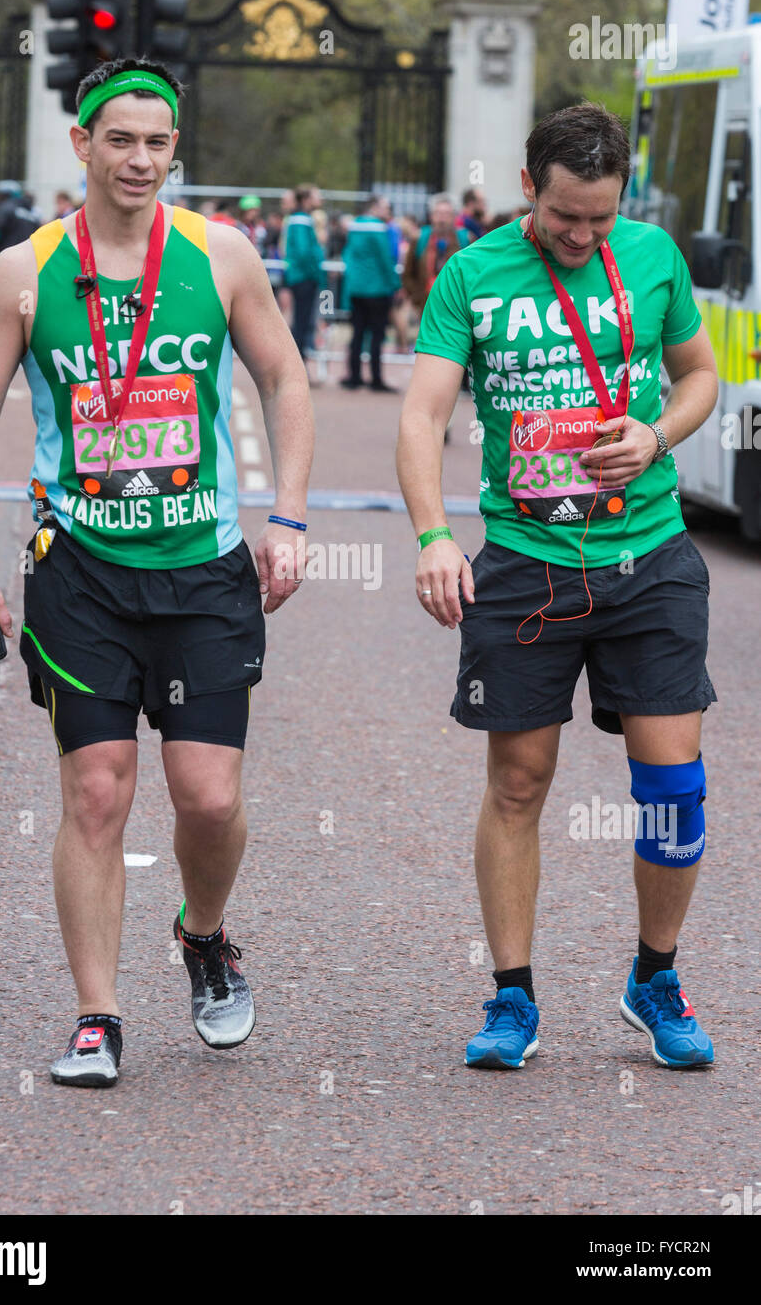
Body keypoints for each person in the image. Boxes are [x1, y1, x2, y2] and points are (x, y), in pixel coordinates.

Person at [0, 56, 314, 1088]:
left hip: (201, 569)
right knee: (97, 791)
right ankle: (97, 1015)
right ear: (82, 145)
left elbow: (282, 377)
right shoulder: (24, 271)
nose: (140, 159)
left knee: (205, 795)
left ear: (174, 152)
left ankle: (202, 933)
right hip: (82, 570)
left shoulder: (221, 254)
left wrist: (285, 514)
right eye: (120, 139)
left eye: (157, 142)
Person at [397, 102, 719, 1072]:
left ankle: (652, 976)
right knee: (517, 782)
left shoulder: (653, 258)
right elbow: (420, 415)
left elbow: (697, 372)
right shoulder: (471, 273)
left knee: (671, 790)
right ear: (529, 186)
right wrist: (431, 538)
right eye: (564, 216)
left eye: (599, 219)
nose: (582, 237)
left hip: (648, 553)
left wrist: (655, 434)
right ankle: (511, 996)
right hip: (525, 562)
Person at [340, 195, 399, 392]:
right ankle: (376, 379)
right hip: (377, 289)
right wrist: (395, 284)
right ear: (375, 207)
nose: (388, 211)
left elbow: (348, 254)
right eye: (385, 207)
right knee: (377, 335)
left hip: (356, 287)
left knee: (357, 333)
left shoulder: (355, 225)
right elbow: (385, 259)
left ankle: (354, 376)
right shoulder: (379, 228)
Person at [401, 193, 469, 315]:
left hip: (455, 307)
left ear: (454, 217)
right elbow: (408, 274)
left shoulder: (466, 239)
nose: (441, 219)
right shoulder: (419, 238)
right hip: (427, 305)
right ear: (431, 216)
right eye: (437, 214)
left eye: (446, 214)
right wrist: (417, 298)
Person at [283, 183, 324, 360]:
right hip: (304, 277)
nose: (320, 199)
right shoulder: (301, 220)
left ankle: (299, 360)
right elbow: (303, 252)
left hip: (302, 275)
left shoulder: (301, 219)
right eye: (317, 195)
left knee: (302, 320)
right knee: (302, 321)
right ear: (306, 199)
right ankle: (298, 362)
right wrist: (315, 271)